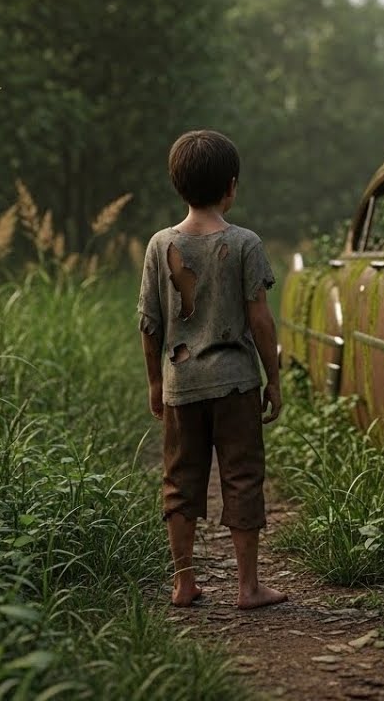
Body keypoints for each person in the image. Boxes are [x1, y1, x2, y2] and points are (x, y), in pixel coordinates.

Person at [137, 129, 287, 609]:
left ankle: (184, 583)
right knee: (242, 477)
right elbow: (260, 319)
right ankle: (247, 587)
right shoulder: (245, 243)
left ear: (177, 185)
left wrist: (156, 382)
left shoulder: (160, 246)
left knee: (180, 478)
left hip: (182, 385)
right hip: (237, 383)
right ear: (231, 187)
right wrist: (274, 379)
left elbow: (150, 324)